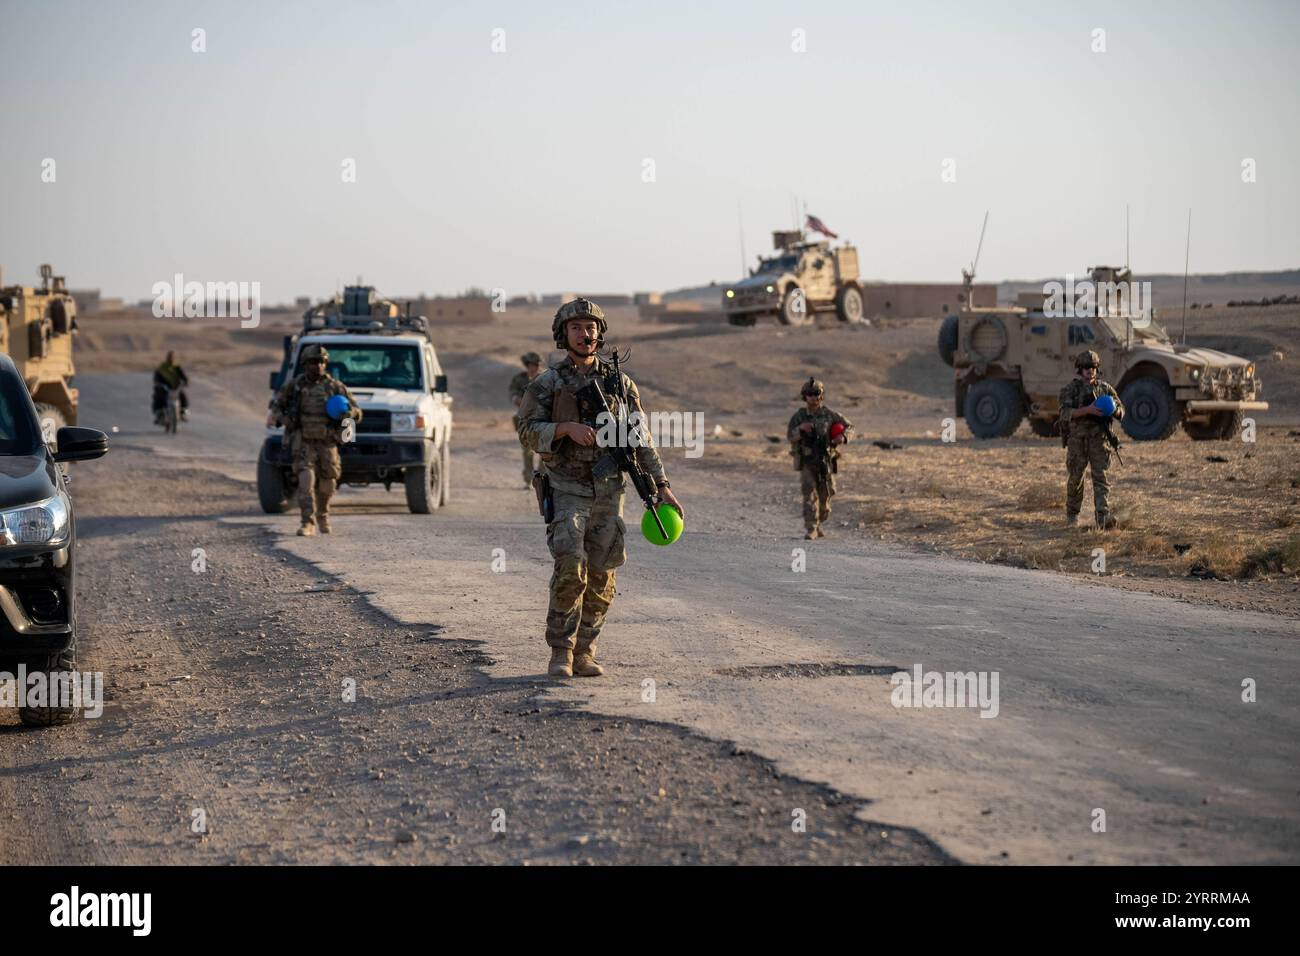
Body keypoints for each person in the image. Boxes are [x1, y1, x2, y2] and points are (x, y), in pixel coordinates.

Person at [517, 298, 683, 678]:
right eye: (576, 327)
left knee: (603, 573)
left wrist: (661, 485)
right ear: (564, 334)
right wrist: (563, 430)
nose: (585, 333)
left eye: (591, 327)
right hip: (566, 486)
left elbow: (640, 438)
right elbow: (526, 431)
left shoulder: (621, 385)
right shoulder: (547, 383)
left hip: (609, 489)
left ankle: (586, 651)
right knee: (570, 566)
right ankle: (561, 650)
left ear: (600, 333)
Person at [266, 344, 362, 536]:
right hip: (304, 443)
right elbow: (276, 407)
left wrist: (347, 417)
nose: (317, 366)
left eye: (320, 362)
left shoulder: (335, 387)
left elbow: (357, 413)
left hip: (328, 443)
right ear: (305, 364)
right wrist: (280, 419)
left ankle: (323, 516)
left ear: (325, 364)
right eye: (312, 362)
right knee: (306, 482)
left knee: (327, 485)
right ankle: (307, 522)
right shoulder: (295, 386)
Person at [1057, 349, 1125, 529]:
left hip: (1099, 440)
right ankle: (1072, 515)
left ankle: (1102, 518)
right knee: (1076, 478)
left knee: (1100, 478)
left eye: (1093, 367)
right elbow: (1064, 413)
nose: (1090, 370)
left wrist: (1114, 411)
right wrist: (1087, 410)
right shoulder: (1071, 390)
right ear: (1080, 370)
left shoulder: (1105, 389)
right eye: (1086, 367)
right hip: (1077, 441)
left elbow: (1121, 411)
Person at [787, 377, 853, 539]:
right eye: (809, 394)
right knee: (808, 493)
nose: (813, 397)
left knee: (826, 496)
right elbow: (790, 436)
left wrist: (843, 437)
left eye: (816, 393)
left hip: (825, 460)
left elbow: (849, 427)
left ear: (821, 395)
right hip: (807, 460)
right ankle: (812, 528)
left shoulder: (830, 415)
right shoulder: (799, 417)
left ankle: (820, 519)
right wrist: (800, 429)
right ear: (804, 396)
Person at [510, 352, 544, 488]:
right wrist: (520, 400)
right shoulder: (520, 379)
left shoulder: (544, 378)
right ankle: (528, 479)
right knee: (527, 450)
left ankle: (541, 478)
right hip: (525, 420)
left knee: (545, 451)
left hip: (543, 420)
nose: (533, 368)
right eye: (530, 365)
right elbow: (513, 395)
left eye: (535, 365)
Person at [152, 351, 189, 424]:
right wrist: (158, 383)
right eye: (169, 357)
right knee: (158, 397)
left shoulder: (177, 367)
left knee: (182, 396)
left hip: (175, 387)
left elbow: (183, 376)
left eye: (172, 358)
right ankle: (159, 414)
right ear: (167, 358)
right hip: (164, 388)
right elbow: (156, 377)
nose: (171, 359)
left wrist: (185, 382)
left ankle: (183, 412)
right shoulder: (162, 368)